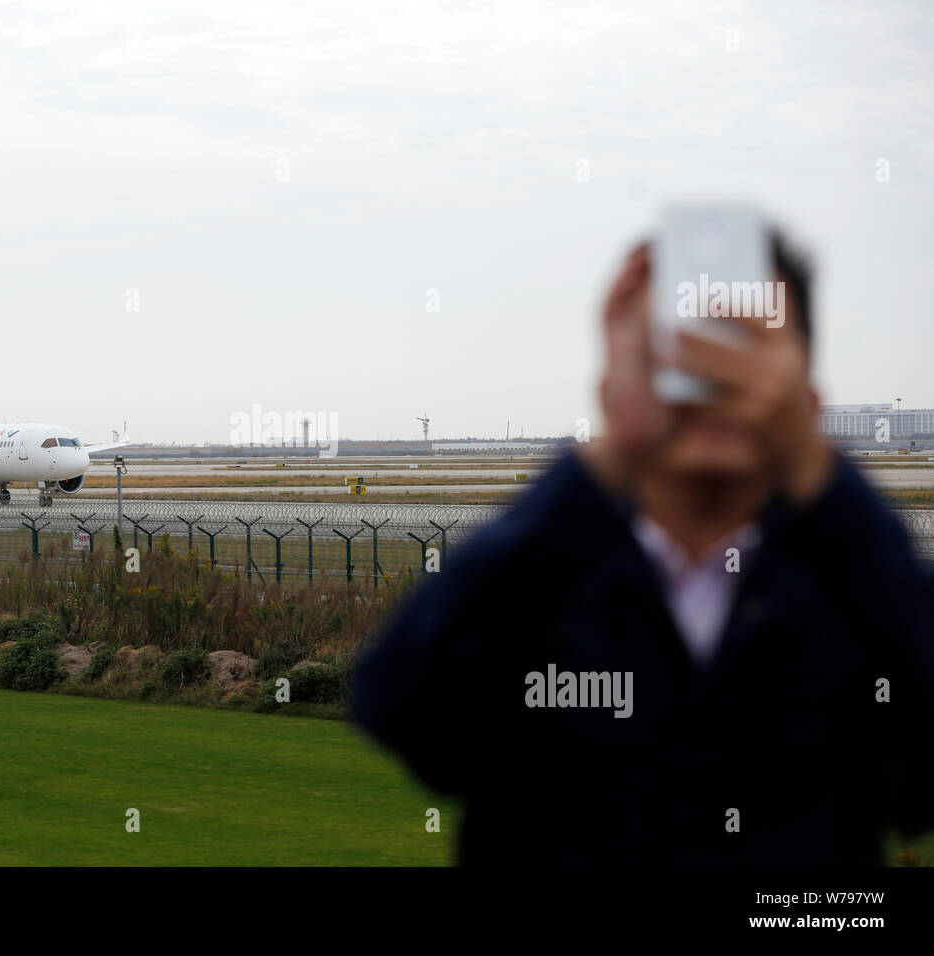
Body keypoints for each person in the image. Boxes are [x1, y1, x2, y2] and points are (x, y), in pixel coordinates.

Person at [353, 235, 934, 865]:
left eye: (747, 354)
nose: (712, 386)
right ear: (617, 384)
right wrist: (608, 456)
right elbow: (405, 711)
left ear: (807, 399)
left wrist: (823, 481)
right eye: (682, 352)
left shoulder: (848, 595)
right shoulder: (551, 583)